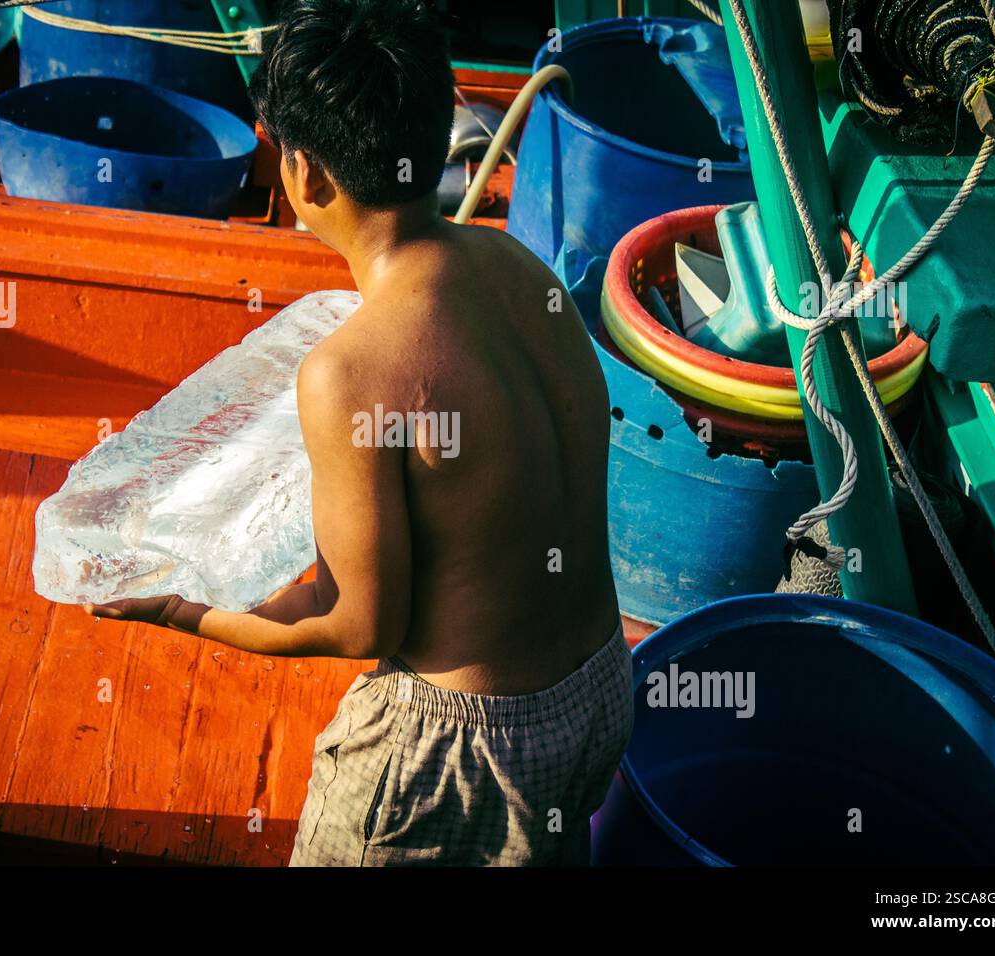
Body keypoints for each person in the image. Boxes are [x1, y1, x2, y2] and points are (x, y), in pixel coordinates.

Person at [86, 0, 631, 866]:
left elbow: (356, 625)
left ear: (305, 176)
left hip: (457, 755)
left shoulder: (346, 372)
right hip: (599, 685)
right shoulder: (522, 269)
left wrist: (179, 611)